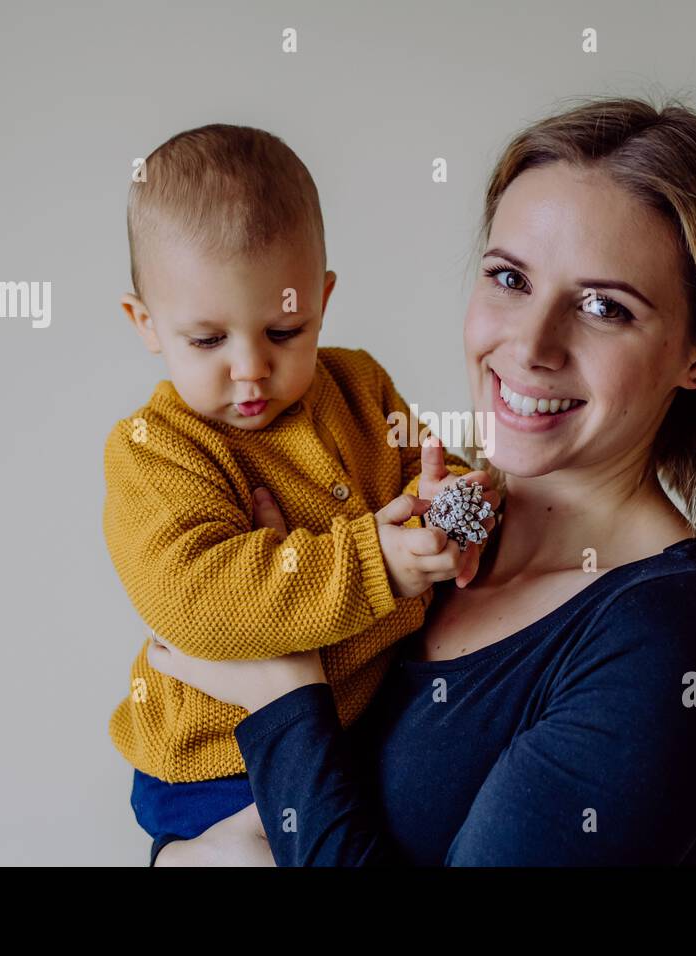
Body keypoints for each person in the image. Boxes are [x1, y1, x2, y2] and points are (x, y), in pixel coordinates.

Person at [147, 95, 696, 865]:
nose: (530, 346)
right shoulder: (401, 522)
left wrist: (284, 698)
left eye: (603, 307)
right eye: (510, 279)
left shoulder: (684, 644)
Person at [103, 123, 500, 866]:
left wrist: (453, 508)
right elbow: (197, 599)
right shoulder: (156, 450)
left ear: (321, 298)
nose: (250, 369)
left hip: (345, 740)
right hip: (216, 767)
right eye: (208, 341)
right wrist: (377, 561)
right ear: (146, 324)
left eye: (284, 331)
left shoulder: (360, 385)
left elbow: (426, 470)